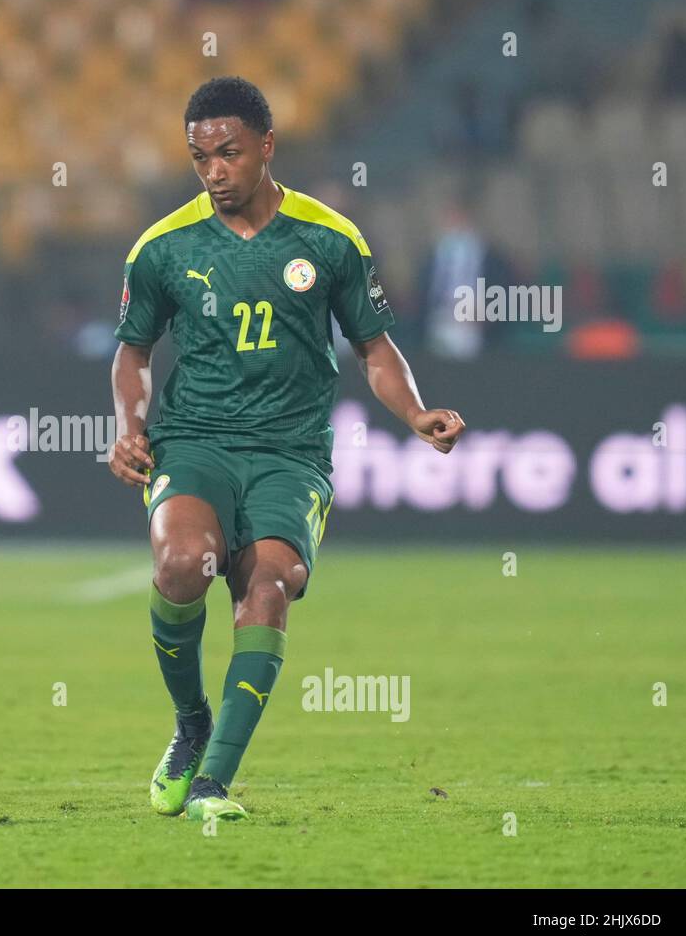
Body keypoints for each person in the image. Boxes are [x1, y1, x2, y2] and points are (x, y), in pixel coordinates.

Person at [108, 77, 466, 822]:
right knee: (181, 564)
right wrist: (129, 425)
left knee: (268, 585)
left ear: (267, 147)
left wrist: (417, 412)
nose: (214, 171)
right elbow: (133, 350)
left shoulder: (329, 239)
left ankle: (212, 783)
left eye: (229, 154)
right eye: (200, 157)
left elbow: (373, 346)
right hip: (196, 438)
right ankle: (191, 725)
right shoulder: (163, 246)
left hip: (290, 450)